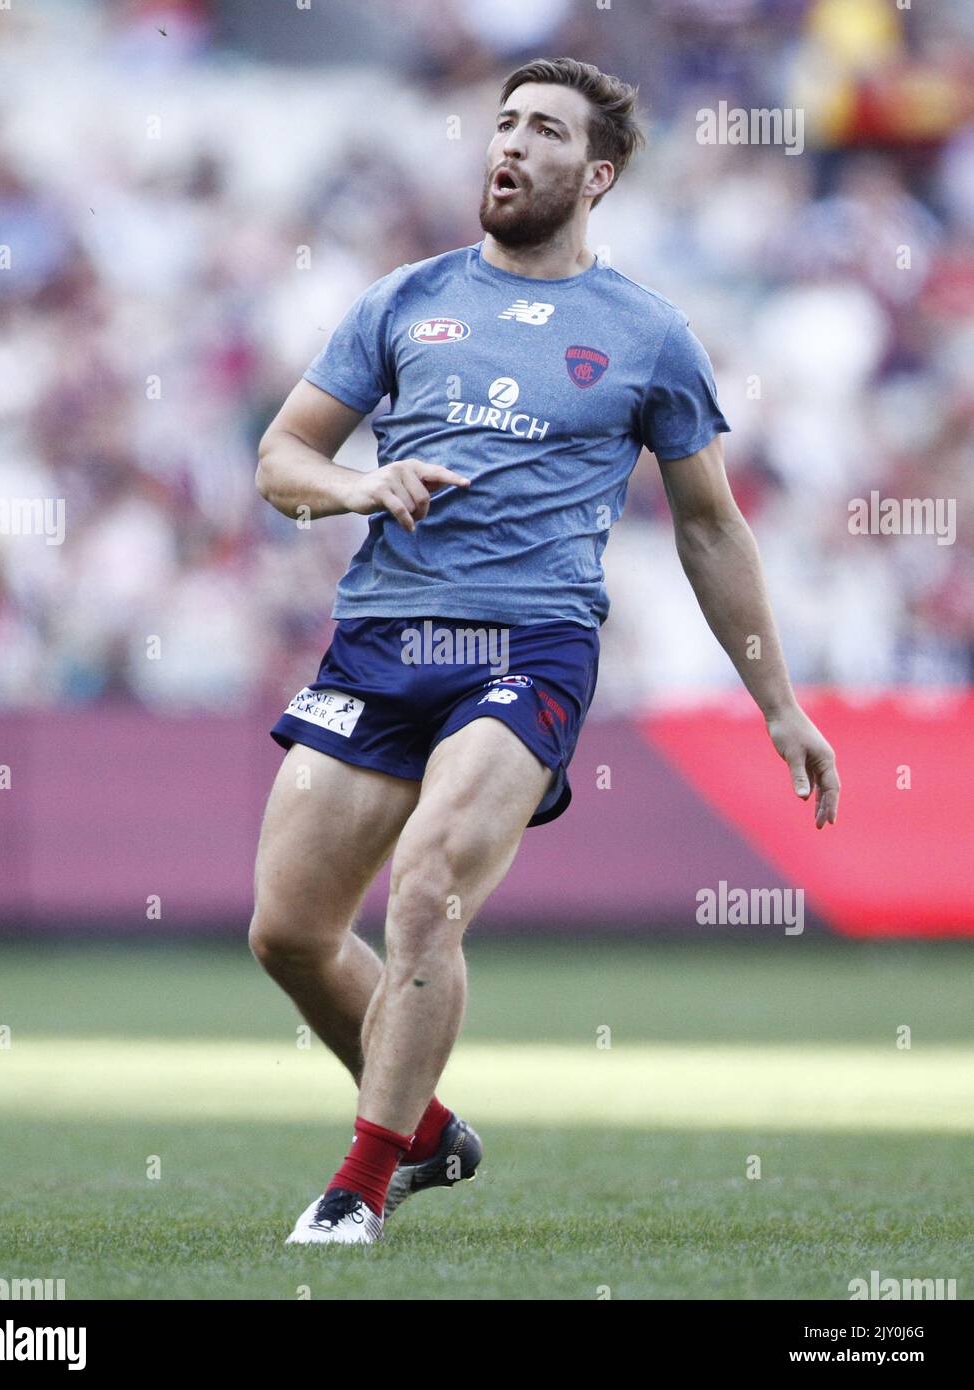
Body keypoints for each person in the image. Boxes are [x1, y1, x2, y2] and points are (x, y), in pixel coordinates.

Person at [250, 57, 841, 1244]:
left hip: (530, 645)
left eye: (542, 132)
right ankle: (424, 1130)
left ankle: (358, 1186)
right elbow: (280, 461)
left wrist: (779, 703)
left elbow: (710, 525)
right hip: (379, 641)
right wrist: (361, 485)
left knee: (426, 891)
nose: (507, 146)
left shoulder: (647, 333)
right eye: (503, 123)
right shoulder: (405, 299)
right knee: (289, 933)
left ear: (597, 173)